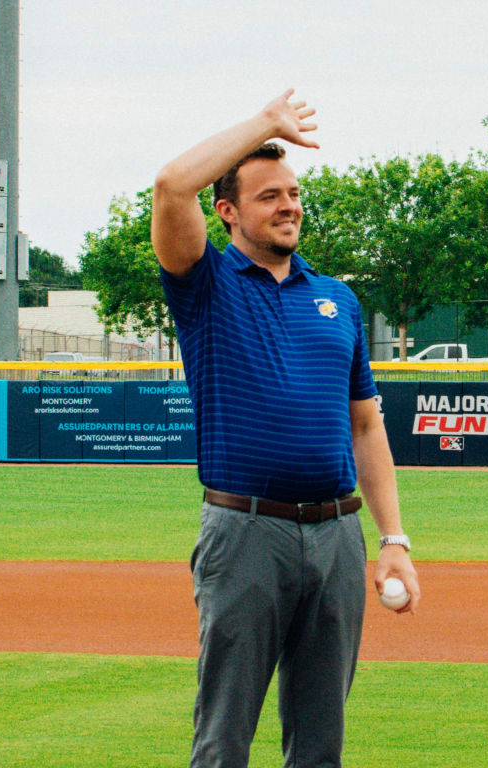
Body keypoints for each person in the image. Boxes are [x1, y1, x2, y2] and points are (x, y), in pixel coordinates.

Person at [152, 90, 420, 768]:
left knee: (320, 740)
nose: (289, 204)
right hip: (246, 533)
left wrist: (393, 540)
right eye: (269, 194)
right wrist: (265, 126)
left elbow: (365, 425)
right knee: (224, 736)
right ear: (229, 211)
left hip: (337, 533)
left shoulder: (339, 299)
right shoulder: (206, 283)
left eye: (294, 192)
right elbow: (169, 185)